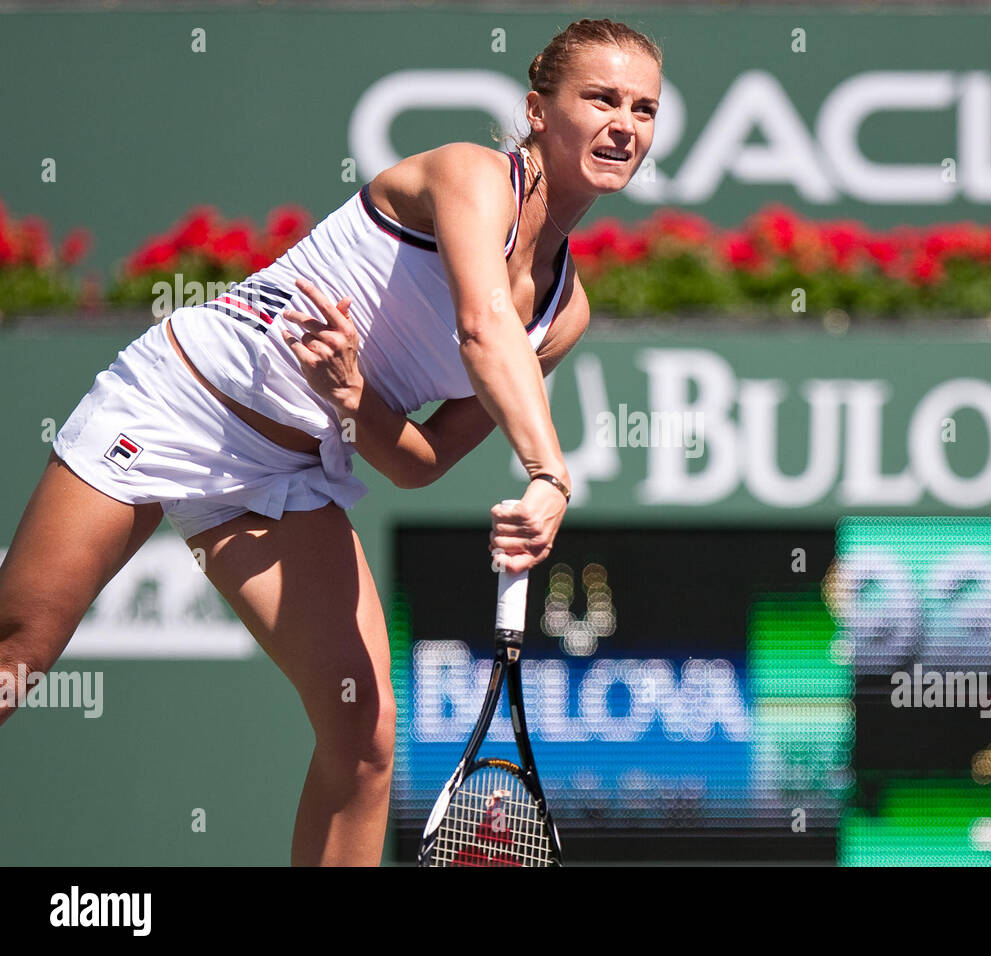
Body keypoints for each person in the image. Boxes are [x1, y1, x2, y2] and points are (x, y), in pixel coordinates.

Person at [0, 18, 662, 866]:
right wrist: (549, 473)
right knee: (20, 647)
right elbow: (481, 323)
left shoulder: (565, 313)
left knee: (364, 734)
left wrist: (354, 402)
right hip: (181, 400)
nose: (624, 124)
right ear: (538, 110)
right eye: (600, 99)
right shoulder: (470, 176)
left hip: (286, 471)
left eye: (643, 108)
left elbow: (418, 465)